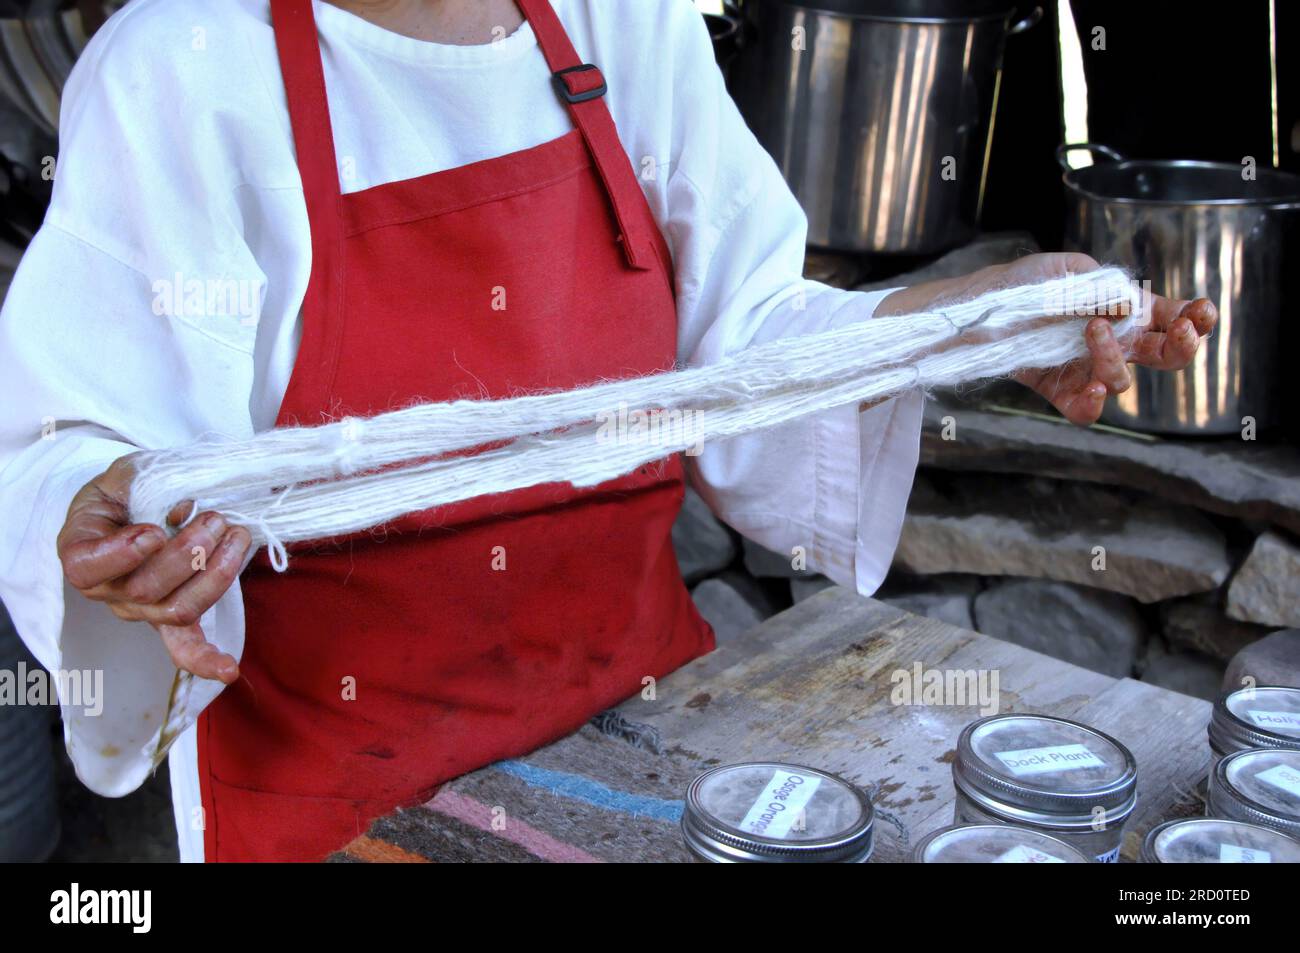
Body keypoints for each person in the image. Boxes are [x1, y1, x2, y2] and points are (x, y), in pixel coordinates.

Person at [0, 0, 1215, 862]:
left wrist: (975, 318)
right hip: (337, 788)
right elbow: (67, 430)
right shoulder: (185, 62)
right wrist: (95, 505)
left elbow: (748, 338)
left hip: (647, 722)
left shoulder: (622, 23)